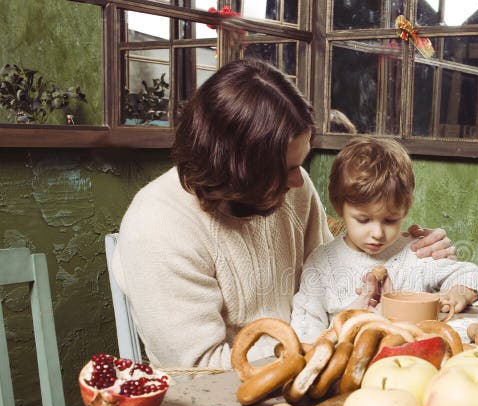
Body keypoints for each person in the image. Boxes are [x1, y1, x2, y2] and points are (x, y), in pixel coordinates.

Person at [113, 59, 455, 369]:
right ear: (237, 170)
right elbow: (202, 368)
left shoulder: (294, 188)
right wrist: (311, 345)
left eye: (301, 163)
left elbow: (332, 281)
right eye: (286, 169)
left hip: (309, 368)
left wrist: (413, 258)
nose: (299, 180)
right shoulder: (156, 227)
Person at [290, 136, 478, 343]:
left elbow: (475, 274)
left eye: (390, 220)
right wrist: (350, 320)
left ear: (405, 210)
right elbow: (305, 334)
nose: (378, 232)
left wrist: (460, 291)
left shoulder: (414, 254)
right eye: (363, 219)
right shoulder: (322, 263)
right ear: (339, 206)